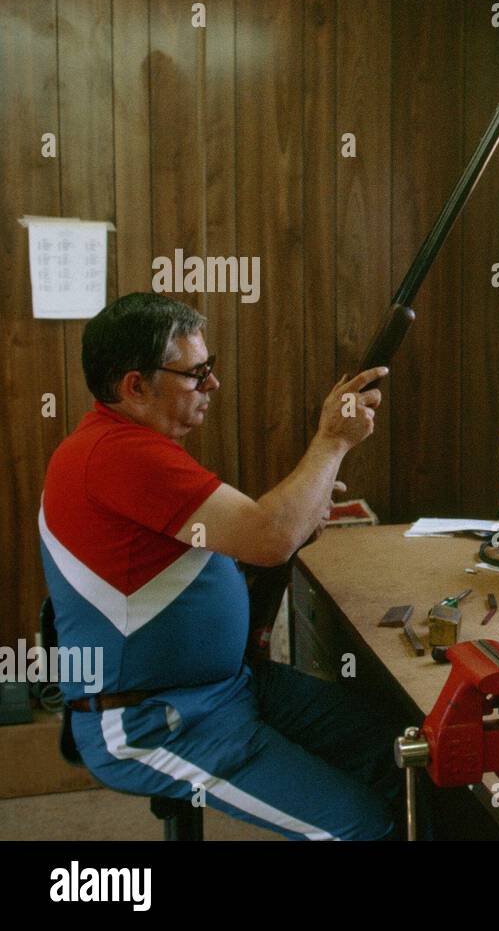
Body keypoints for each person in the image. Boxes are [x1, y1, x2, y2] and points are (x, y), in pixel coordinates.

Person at [38, 291, 403, 840]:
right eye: (196, 372)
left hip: (222, 687)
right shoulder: (119, 456)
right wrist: (331, 443)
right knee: (358, 827)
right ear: (135, 386)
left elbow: (252, 533)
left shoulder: (126, 445)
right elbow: (268, 536)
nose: (212, 384)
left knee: (396, 750)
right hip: (155, 721)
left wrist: (297, 520)